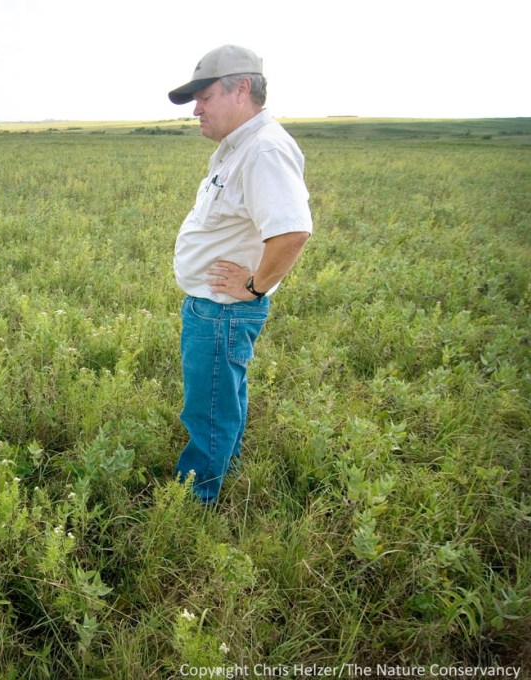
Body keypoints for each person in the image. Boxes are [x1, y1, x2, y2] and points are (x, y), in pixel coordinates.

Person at [167, 44, 312, 504]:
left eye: (205, 97)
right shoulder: (239, 147)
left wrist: (254, 286)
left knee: (209, 409)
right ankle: (220, 472)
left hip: (223, 311)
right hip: (214, 309)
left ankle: (195, 501)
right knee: (222, 398)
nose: (197, 109)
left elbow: (292, 231)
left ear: (241, 89)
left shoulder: (264, 149)